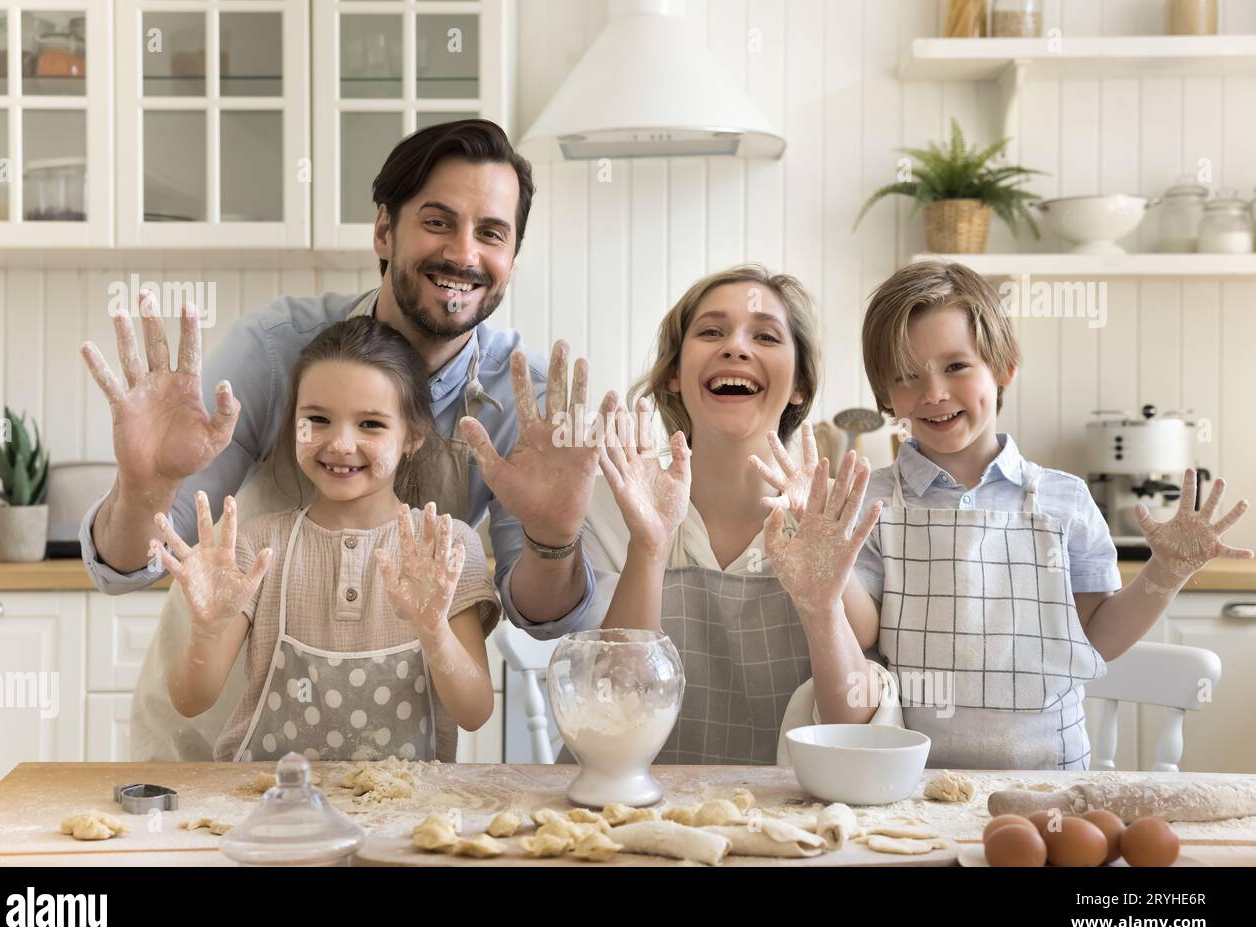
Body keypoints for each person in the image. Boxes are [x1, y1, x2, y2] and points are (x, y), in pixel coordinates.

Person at [79, 119, 612, 759]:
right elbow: (137, 562)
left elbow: (539, 620)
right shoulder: (278, 350)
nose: (465, 255)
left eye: (491, 233)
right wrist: (144, 489)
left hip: (395, 768)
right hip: (219, 743)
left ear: (512, 259)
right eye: (438, 222)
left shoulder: (519, 394)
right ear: (384, 229)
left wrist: (553, 539)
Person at [846, 260, 1253, 769]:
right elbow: (862, 636)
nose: (933, 393)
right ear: (886, 395)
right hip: (914, 783)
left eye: (956, 366)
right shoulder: (871, 503)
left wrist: (1165, 572)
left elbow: (1097, 638)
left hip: (1052, 780)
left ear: (1003, 369)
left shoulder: (1065, 501)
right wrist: (826, 558)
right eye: (908, 375)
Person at [575, 264, 901, 766]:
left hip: (794, 821)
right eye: (711, 331)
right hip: (628, 815)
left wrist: (820, 602)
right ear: (675, 374)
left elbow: (850, 734)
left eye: (765, 336)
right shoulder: (610, 505)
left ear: (799, 385)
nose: (736, 347)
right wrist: (650, 546)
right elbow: (613, 708)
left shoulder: (837, 511)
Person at [155, 317, 498, 761]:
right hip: (264, 807)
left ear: (413, 436)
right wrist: (206, 632)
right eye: (317, 419)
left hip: (402, 810)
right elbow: (191, 701)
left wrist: (433, 633)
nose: (340, 444)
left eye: (371, 425)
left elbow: (475, 712)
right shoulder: (257, 547)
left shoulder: (448, 548)